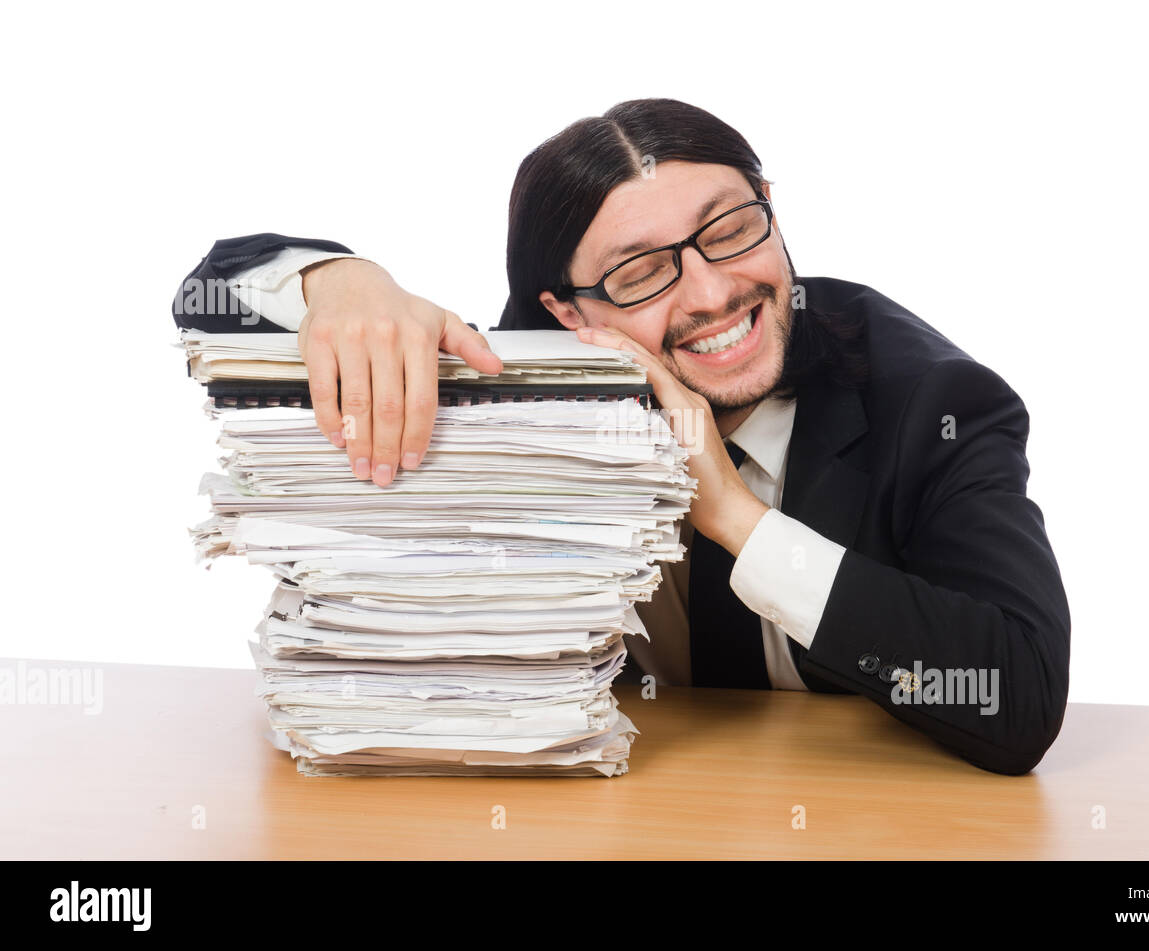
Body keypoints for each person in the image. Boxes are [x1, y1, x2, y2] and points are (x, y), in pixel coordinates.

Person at [174, 98, 1070, 774]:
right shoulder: (530, 382)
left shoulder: (934, 403)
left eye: (730, 228)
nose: (714, 293)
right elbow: (212, 293)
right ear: (566, 312)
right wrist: (342, 283)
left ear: (771, 205)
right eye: (641, 272)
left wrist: (734, 517)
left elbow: (1018, 692)